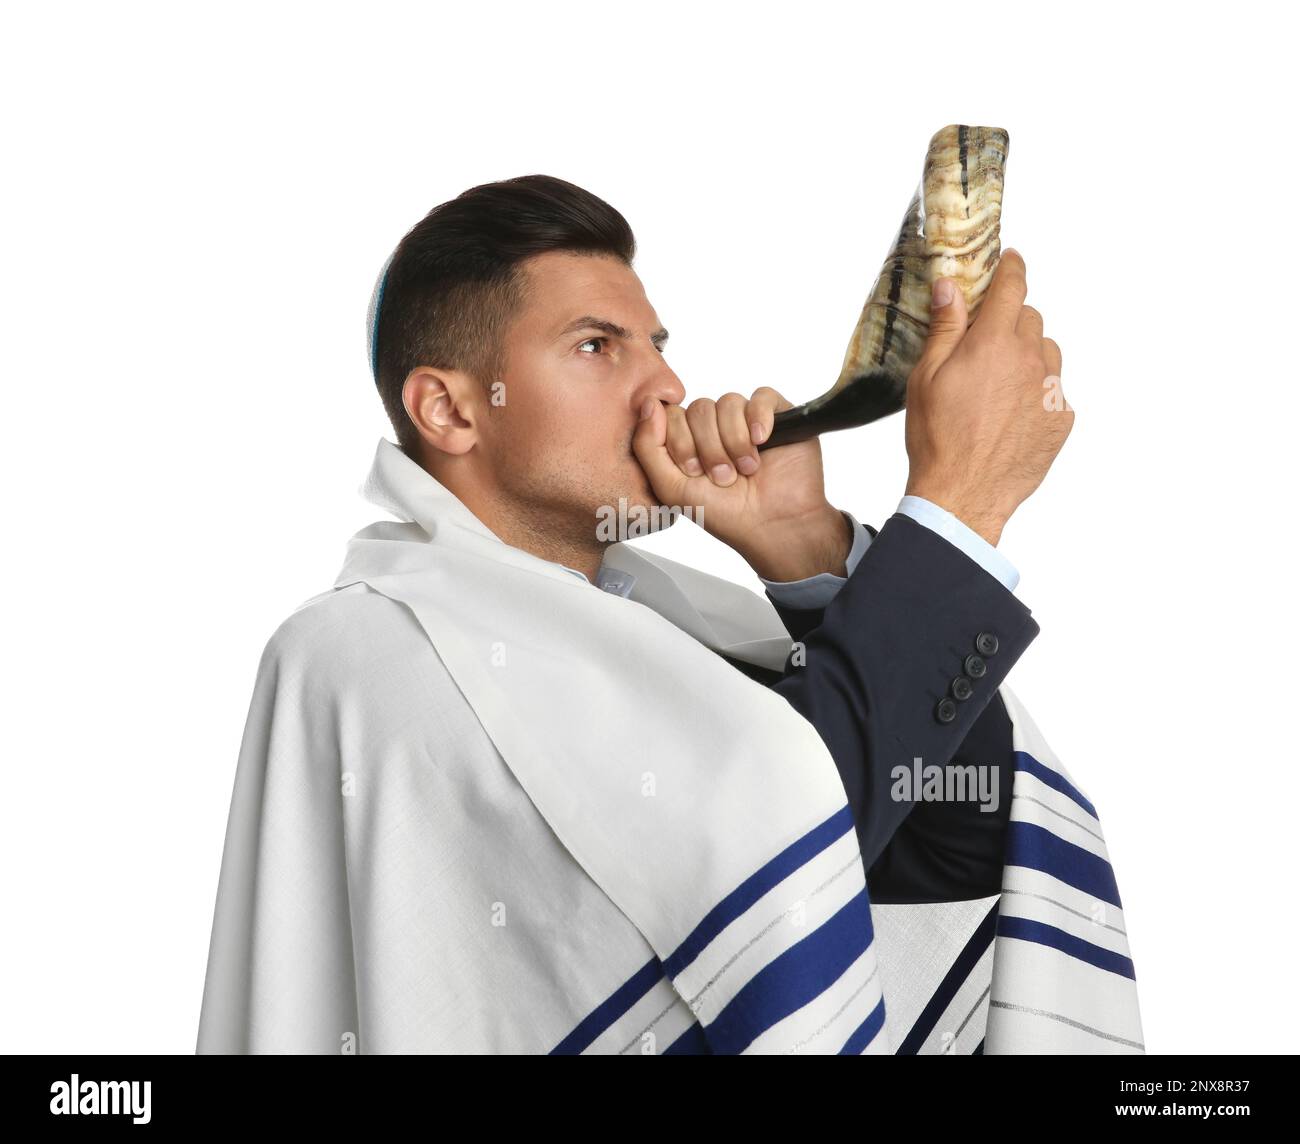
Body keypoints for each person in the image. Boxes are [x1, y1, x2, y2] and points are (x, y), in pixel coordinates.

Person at [197, 175, 1093, 1054]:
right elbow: (784, 831)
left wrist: (807, 549)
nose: (665, 384)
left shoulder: (674, 630)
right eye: (597, 345)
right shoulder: (368, 650)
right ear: (449, 409)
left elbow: (950, 849)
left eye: (657, 344)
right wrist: (959, 505)